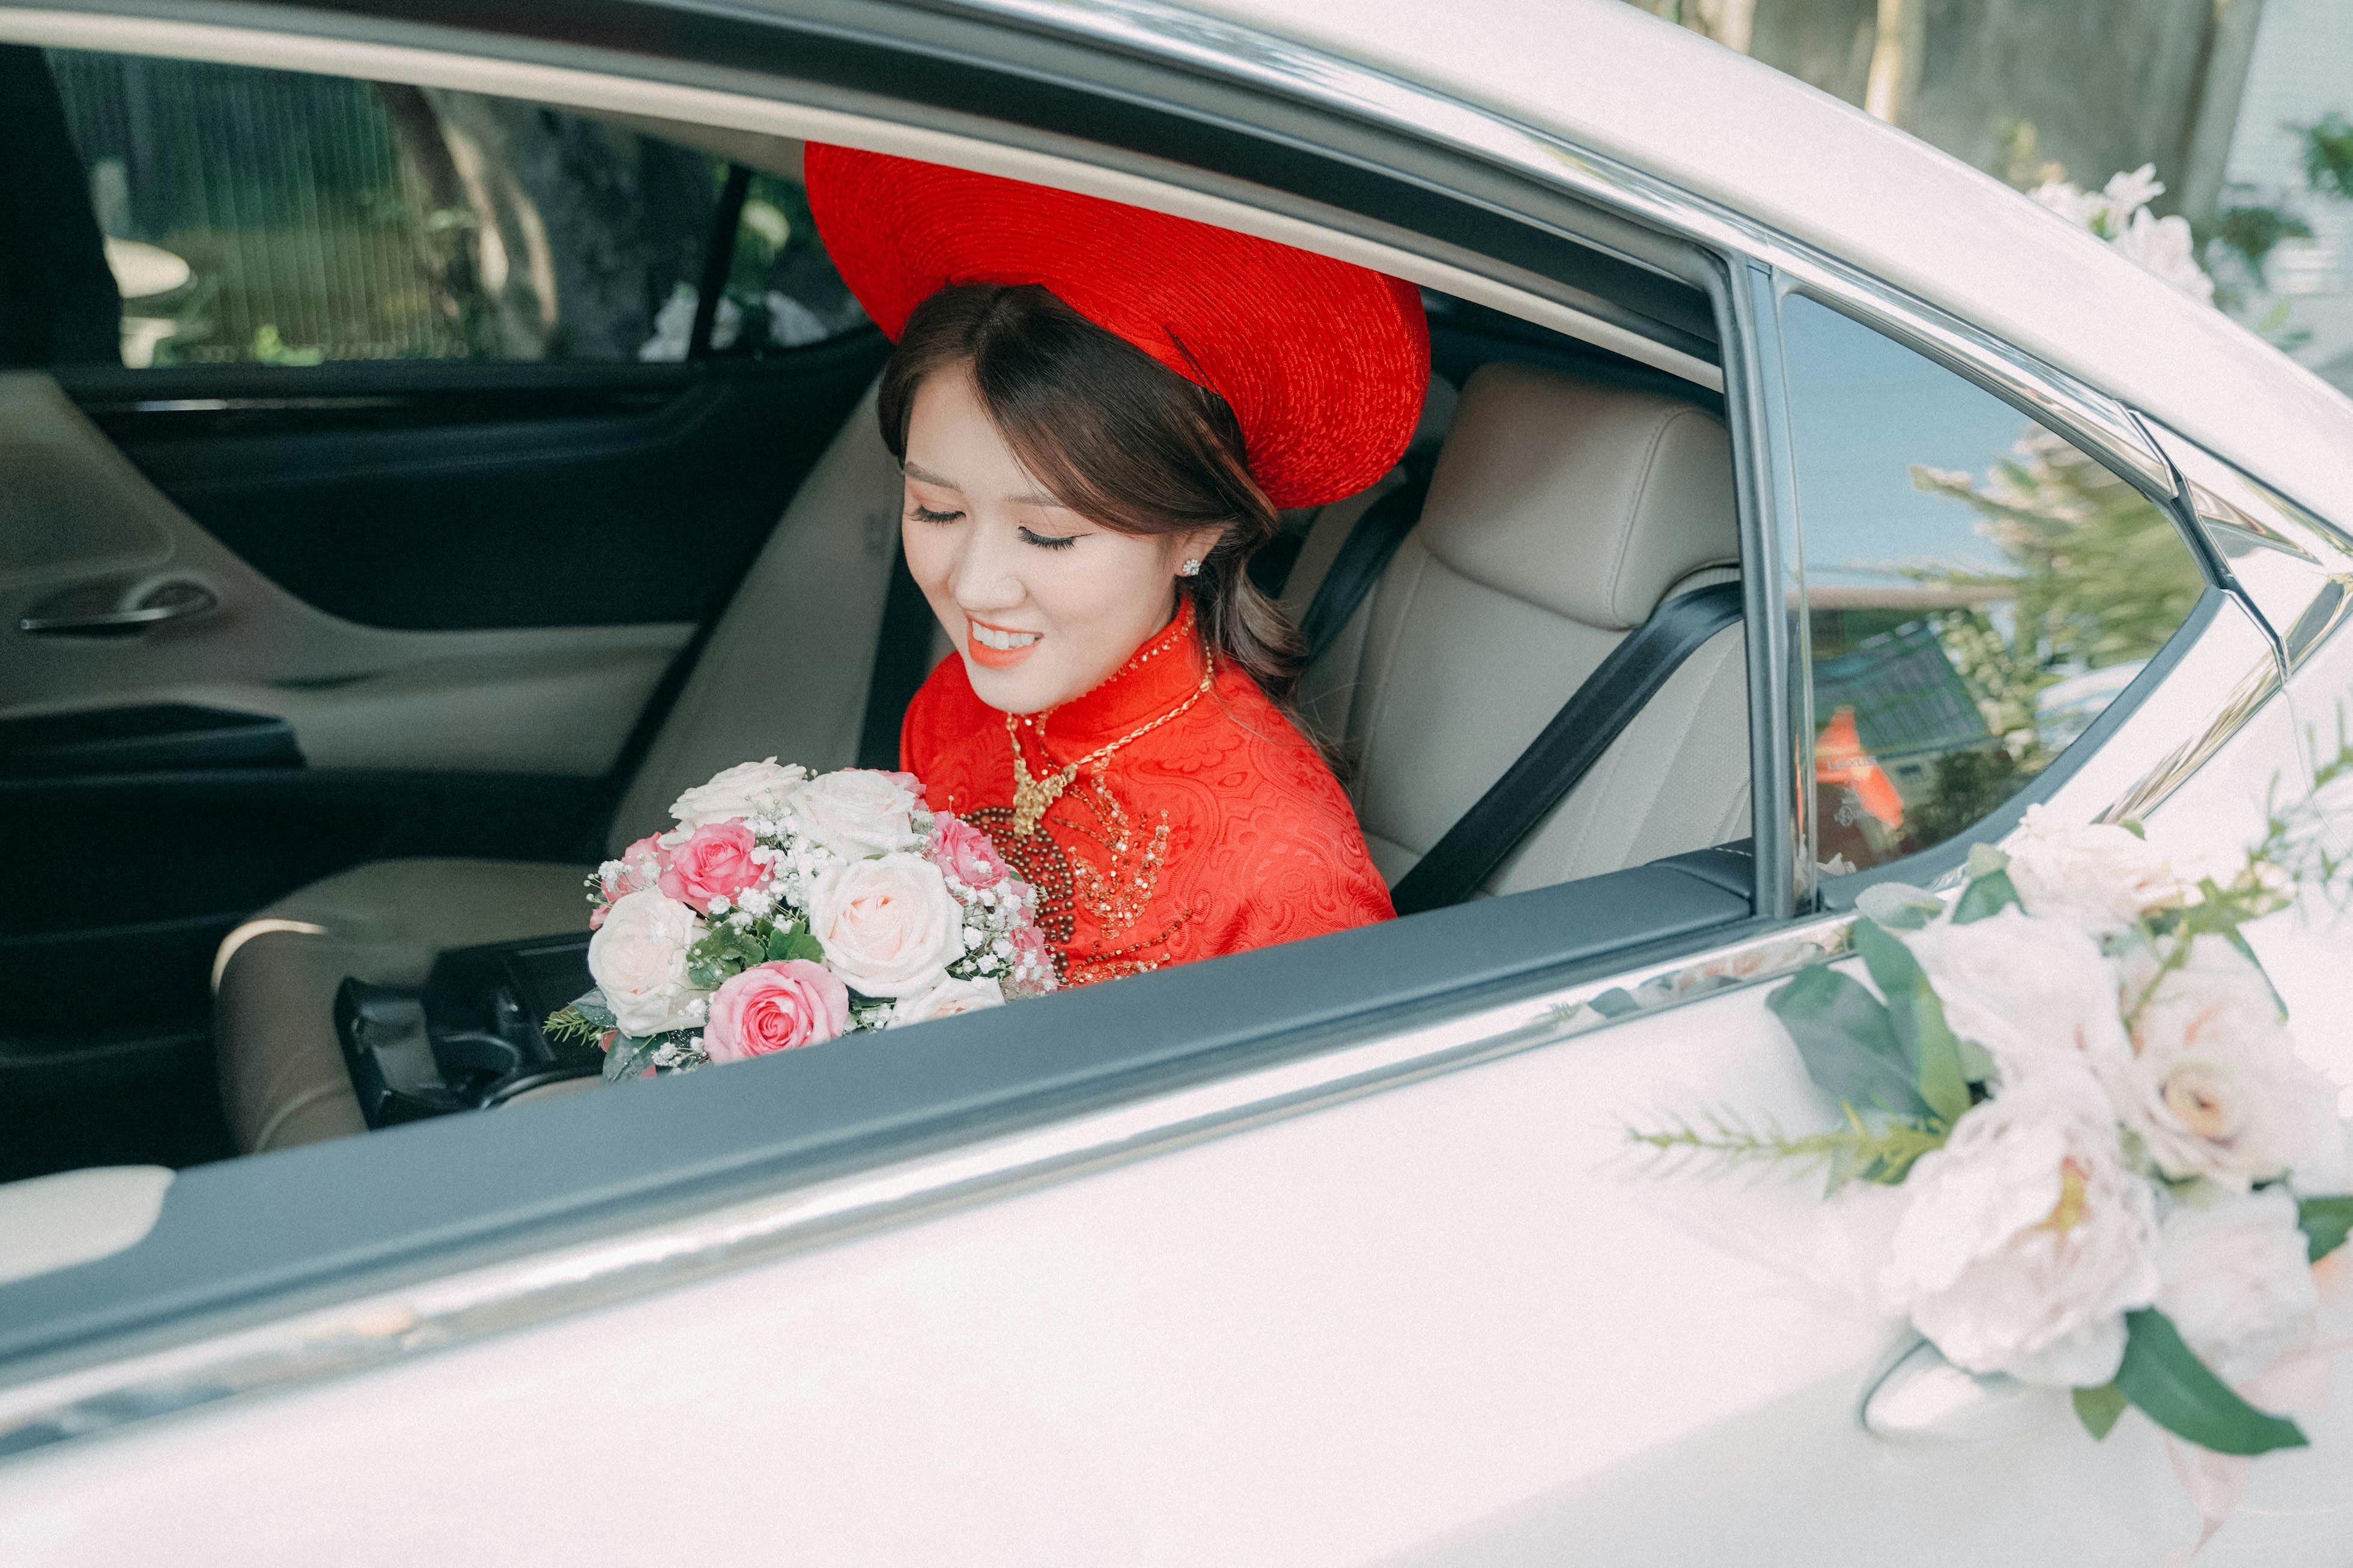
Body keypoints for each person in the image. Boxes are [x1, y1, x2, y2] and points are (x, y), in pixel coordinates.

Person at [805, 145, 1428, 985]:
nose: (975, 586)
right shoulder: (953, 704)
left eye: (1048, 535)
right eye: (937, 511)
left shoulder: (1282, 874)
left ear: (1197, 533)